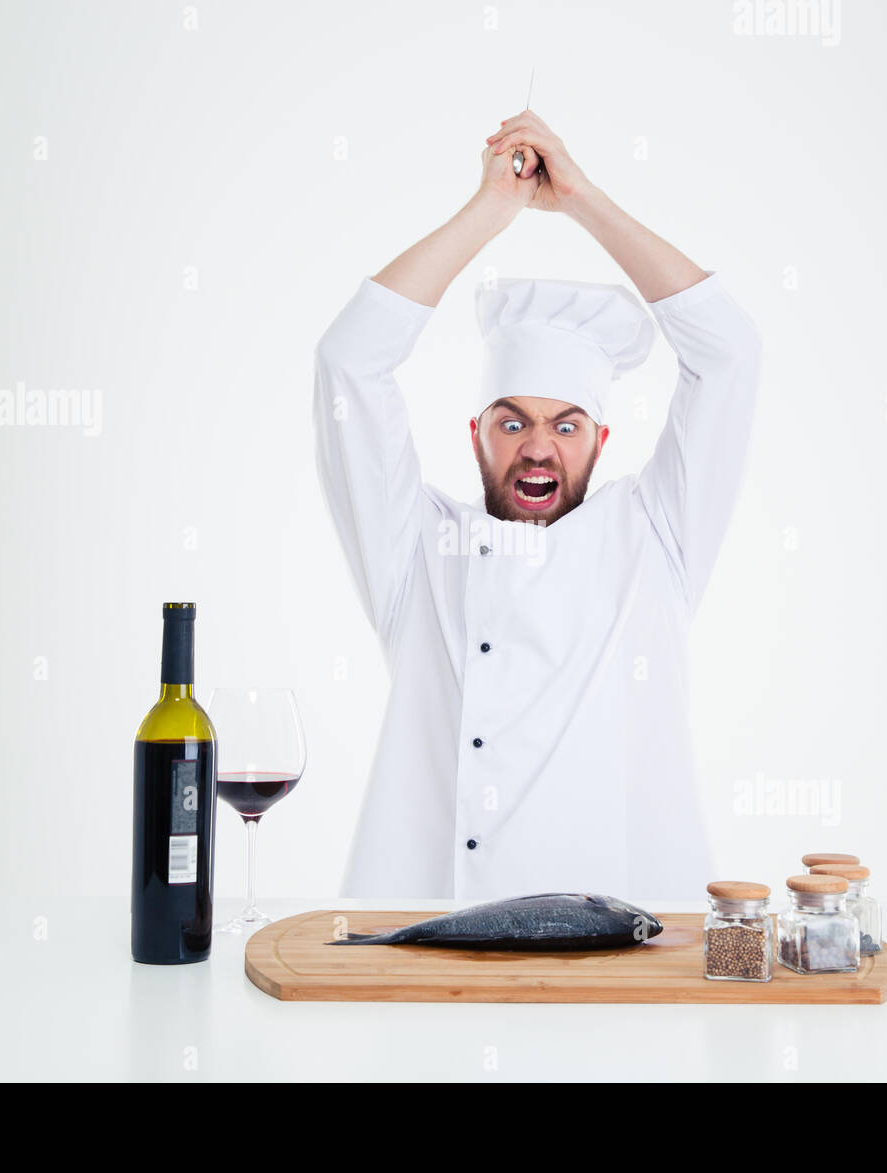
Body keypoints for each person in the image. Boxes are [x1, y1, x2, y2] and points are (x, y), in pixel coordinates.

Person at [313, 109, 761, 902]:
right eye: (512, 420)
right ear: (476, 435)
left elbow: (729, 352)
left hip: (632, 945)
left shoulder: (654, 534)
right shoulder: (416, 550)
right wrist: (492, 212)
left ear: (603, 439)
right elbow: (348, 362)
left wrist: (579, 196)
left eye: (566, 424)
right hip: (437, 942)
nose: (538, 446)